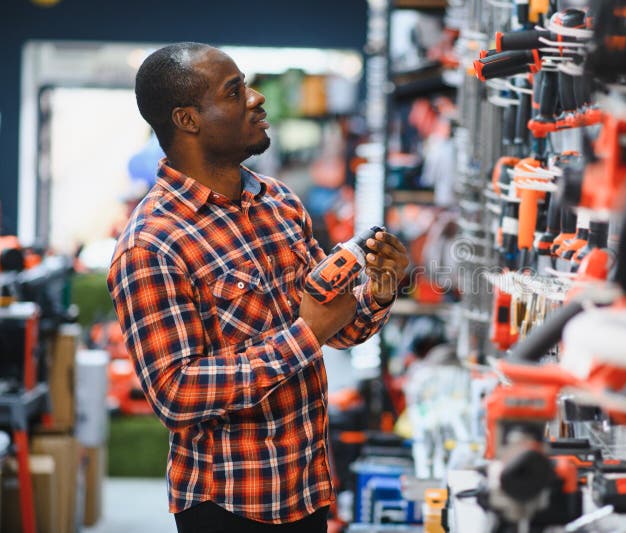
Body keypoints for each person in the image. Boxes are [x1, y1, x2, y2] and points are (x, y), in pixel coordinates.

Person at [107, 42, 409, 533]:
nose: (256, 99)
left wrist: (378, 290)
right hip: (228, 507)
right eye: (235, 91)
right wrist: (304, 336)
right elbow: (175, 392)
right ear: (188, 120)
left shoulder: (279, 203)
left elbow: (339, 330)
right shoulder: (152, 245)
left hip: (307, 489)